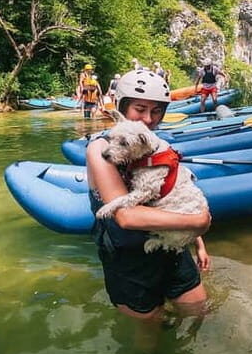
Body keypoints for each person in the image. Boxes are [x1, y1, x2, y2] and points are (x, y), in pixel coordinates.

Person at [86, 69, 212, 335]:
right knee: (150, 332)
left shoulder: (152, 146)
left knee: (199, 310)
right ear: (122, 107)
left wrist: (198, 243)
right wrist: (198, 222)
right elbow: (126, 216)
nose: (148, 119)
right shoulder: (100, 150)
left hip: (171, 251)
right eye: (140, 109)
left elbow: (177, 193)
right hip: (129, 260)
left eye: (156, 112)